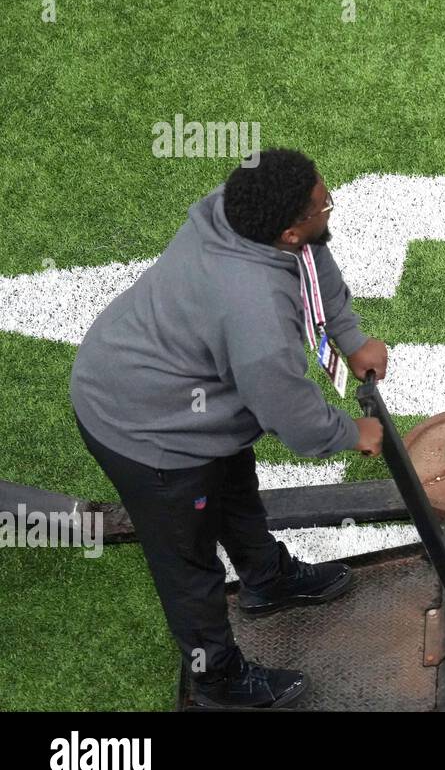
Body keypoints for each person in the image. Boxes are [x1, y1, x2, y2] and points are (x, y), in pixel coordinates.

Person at [69, 148, 387, 708]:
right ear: (289, 229)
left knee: (234, 487)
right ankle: (216, 679)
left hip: (187, 400)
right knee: (188, 565)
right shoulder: (254, 309)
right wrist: (349, 432)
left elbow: (313, 257)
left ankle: (265, 579)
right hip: (145, 430)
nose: (328, 205)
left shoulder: (240, 211)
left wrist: (350, 336)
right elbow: (286, 408)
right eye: (322, 204)